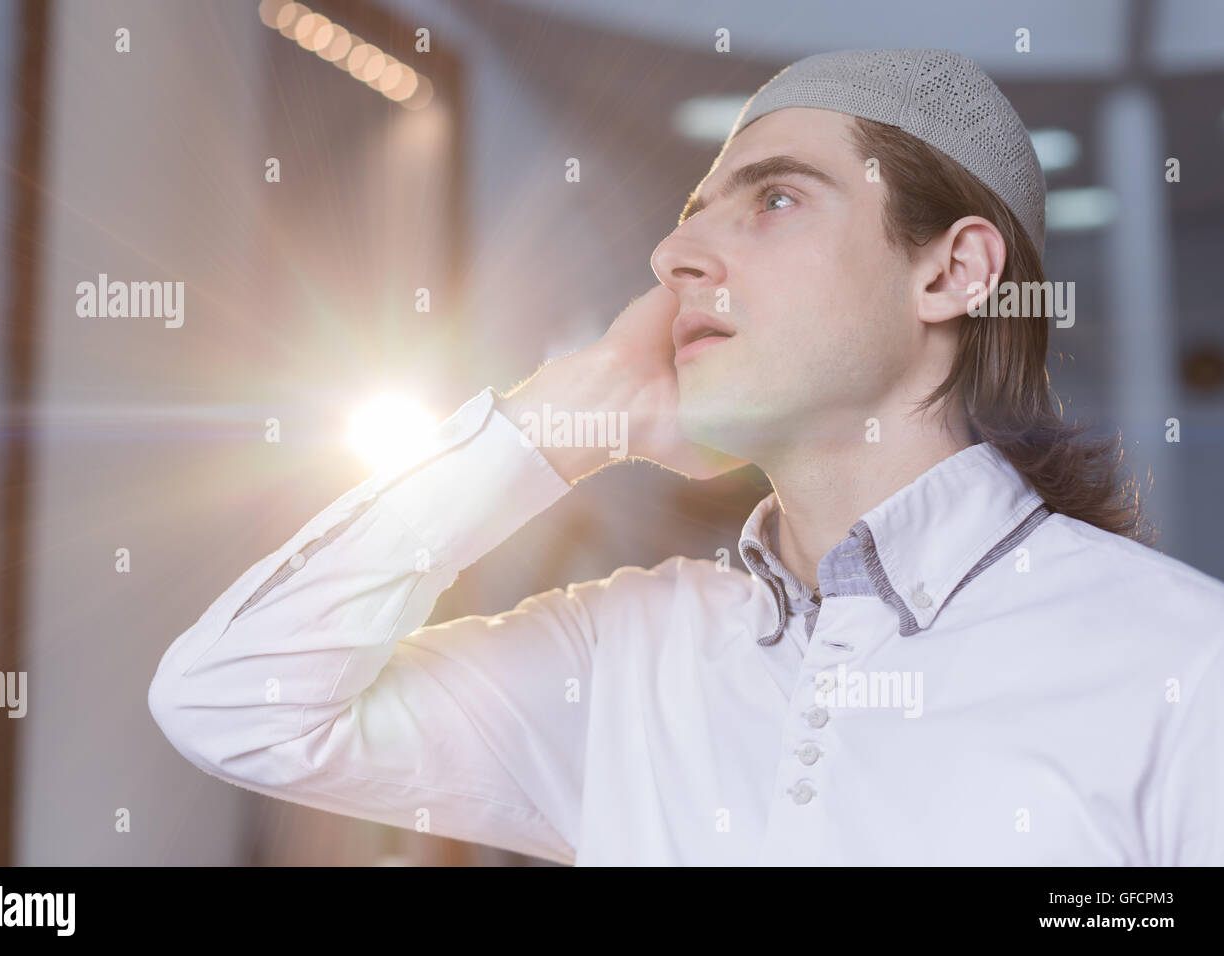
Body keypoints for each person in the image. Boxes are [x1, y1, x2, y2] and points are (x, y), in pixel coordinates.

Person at [148, 49, 1224, 865]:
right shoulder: (625, 654)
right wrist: (542, 429)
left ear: (950, 273)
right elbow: (234, 705)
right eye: (690, 213)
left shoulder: (1183, 666)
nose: (674, 253)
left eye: (776, 199)